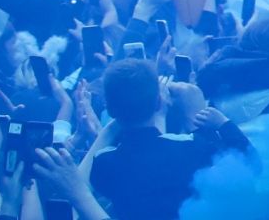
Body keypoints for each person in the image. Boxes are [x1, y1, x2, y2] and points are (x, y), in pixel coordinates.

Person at [87, 58, 255, 220]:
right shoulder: (190, 148)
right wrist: (220, 123)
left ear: (109, 110)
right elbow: (249, 163)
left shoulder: (104, 162)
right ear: (159, 102)